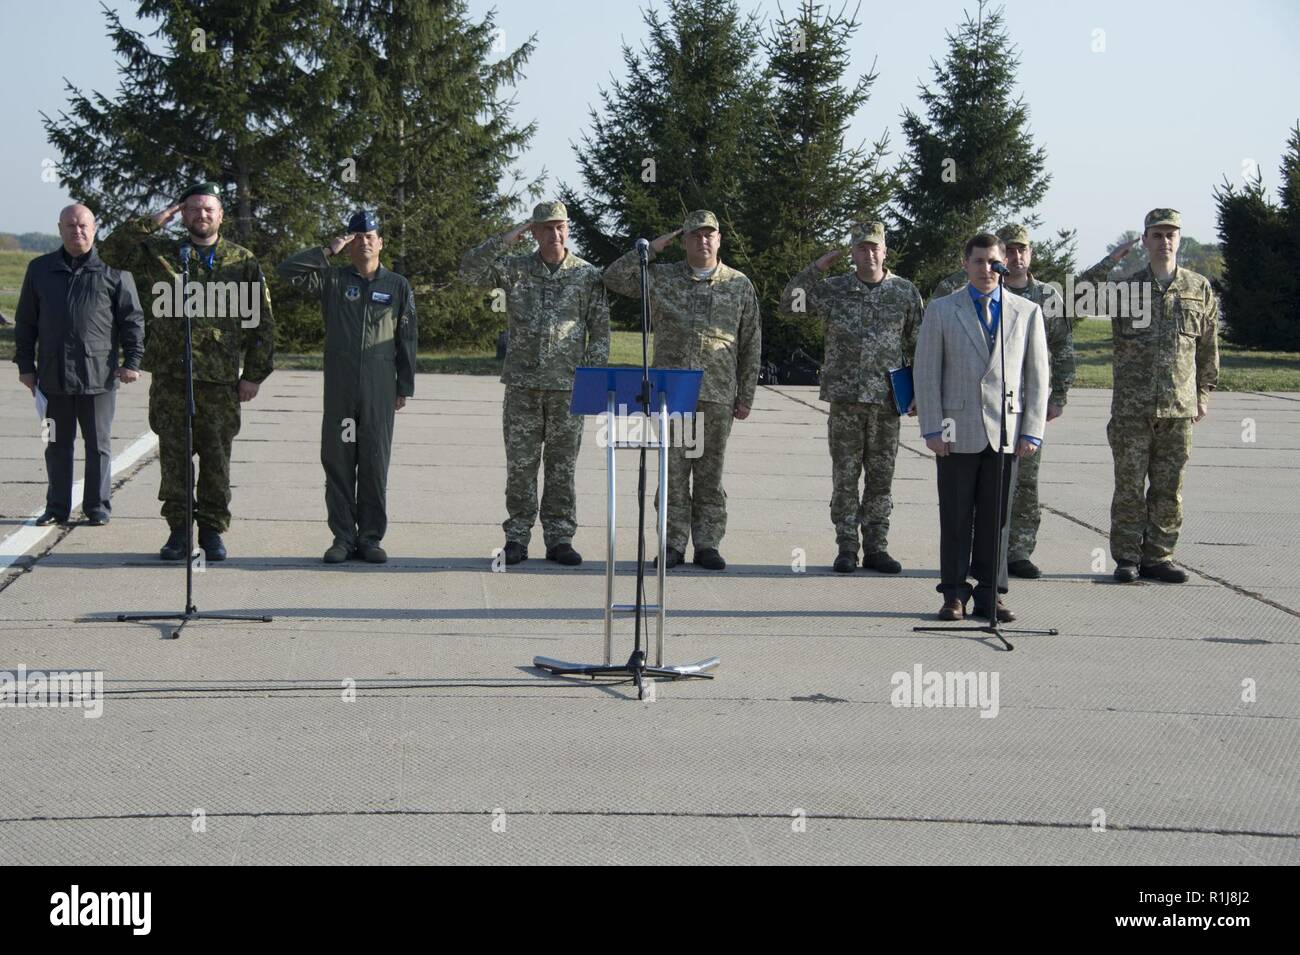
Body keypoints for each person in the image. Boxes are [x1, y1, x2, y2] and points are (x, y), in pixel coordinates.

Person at [99, 181, 275, 561]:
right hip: (171, 379)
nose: (202, 215)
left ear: (221, 215)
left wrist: (254, 376)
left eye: (209, 209)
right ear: (184, 214)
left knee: (215, 462)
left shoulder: (240, 261)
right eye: (193, 209)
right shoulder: (162, 254)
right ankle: (178, 533)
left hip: (221, 383)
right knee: (174, 461)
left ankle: (211, 533)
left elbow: (261, 324)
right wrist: (153, 221)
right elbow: (110, 252)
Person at [604, 210, 761, 570]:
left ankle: (707, 543)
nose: (702, 241)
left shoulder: (738, 284)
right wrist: (652, 250)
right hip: (670, 393)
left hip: (717, 394)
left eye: (709, 235)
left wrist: (746, 395)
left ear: (719, 239)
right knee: (672, 473)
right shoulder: (662, 278)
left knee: (710, 474)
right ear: (685, 240)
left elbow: (751, 342)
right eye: (694, 236)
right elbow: (613, 278)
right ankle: (671, 544)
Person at [460, 201, 609, 566]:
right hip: (523, 387)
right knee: (521, 468)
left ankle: (560, 538)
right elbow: (468, 272)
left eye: (560, 227)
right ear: (534, 232)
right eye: (545, 228)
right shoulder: (516, 269)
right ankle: (517, 537)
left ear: (567, 230)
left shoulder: (587, 275)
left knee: (562, 469)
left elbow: (601, 332)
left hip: (566, 389)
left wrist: (588, 379)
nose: (554, 235)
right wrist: (506, 238)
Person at [913, 233, 1049, 622]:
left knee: (997, 519)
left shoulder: (1025, 312)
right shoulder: (942, 309)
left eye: (993, 261)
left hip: (1006, 430)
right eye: (978, 261)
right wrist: (932, 429)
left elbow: (1038, 376)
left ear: (1004, 262)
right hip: (956, 429)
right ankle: (954, 593)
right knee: (955, 517)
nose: (986, 269)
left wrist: (1031, 430)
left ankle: (991, 593)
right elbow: (926, 372)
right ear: (965, 264)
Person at [780, 220, 923, 574]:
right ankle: (846, 547)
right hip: (845, 400)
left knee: (881, 478)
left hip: (887, 402)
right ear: (853, 253)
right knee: (844, 476)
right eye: (861, 247)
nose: (868, 253)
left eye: (874, 247)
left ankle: (877, 547)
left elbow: (921, 345)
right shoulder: (833, 289)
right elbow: (788, 305)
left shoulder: (905, 293)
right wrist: (816, 269)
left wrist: (919, 392)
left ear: (885, 251)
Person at [278, 210, 417, 563]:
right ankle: (342, 537)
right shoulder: (335, 281)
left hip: (379, 390)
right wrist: (327, 250)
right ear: (349, 243)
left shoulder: (397, 285)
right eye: (357, 237)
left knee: (373, 462)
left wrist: (405, 384)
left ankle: (370, 538)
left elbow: (407, 336)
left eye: (370, 235)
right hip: (341, 390)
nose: (364, 241)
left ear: (381, 242)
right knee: (339, 462)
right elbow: (287, 273)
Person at [1104, 208, 1218, 583]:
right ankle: (1126, 558)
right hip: (1132, 411)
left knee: (1169, 490)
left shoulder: (1198, 288)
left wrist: (1203, 393)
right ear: (1145, 240)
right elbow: (1073, 303)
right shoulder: (1125, 289)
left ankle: (1159, 557)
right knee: (1129, 489)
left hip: (1178, 408)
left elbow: (1207, 347)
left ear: (1179, 239)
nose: (1164, 241)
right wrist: (1111, 260)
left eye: (1171, 234)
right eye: (1157, 234)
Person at [13, 204, 144, 526]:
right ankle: (56, 508)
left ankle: (97, 507)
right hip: (52, 379)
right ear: (60, 229)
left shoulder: (114, 273)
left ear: (94, 228)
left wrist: (133, 361)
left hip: (98, 378)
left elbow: (133, 322)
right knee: (56, 445)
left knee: (98, 446)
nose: (77, 231)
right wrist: (25, 367)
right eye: (70, 226)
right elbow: (26, 322)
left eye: (83, 225)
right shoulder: (40, 270)